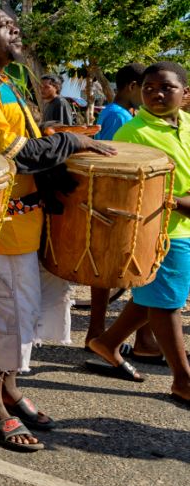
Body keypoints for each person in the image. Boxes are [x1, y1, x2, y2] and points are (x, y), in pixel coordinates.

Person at [0, 7, 115, 452]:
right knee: (6, 316)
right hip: (0, 223)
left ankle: (7, 390)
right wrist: (69, 142)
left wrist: (59, 142)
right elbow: (9, 152)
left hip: (26, 218)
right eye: (2, 25)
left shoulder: (3, 81)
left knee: (25, 312)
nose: (14, 29)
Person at [84, 61, 190, 406]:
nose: (156, 94)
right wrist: (175, 202)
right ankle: (182, 379)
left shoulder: (188, 125)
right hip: (159, 229)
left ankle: (107, 342)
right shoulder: (133, 133)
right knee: (167, 302)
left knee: (158, 295)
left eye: (166, 88)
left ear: (185, 93)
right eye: (148, 89)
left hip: (185, 224)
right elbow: (124, 187)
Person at [87, 62, 159, 354]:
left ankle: (139, 339)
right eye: (147, 89)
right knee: (112, 271)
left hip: (116, 201)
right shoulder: (119, 119)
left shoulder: (120, 114)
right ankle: (98, 332)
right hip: (116, 201)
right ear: (132, 87)